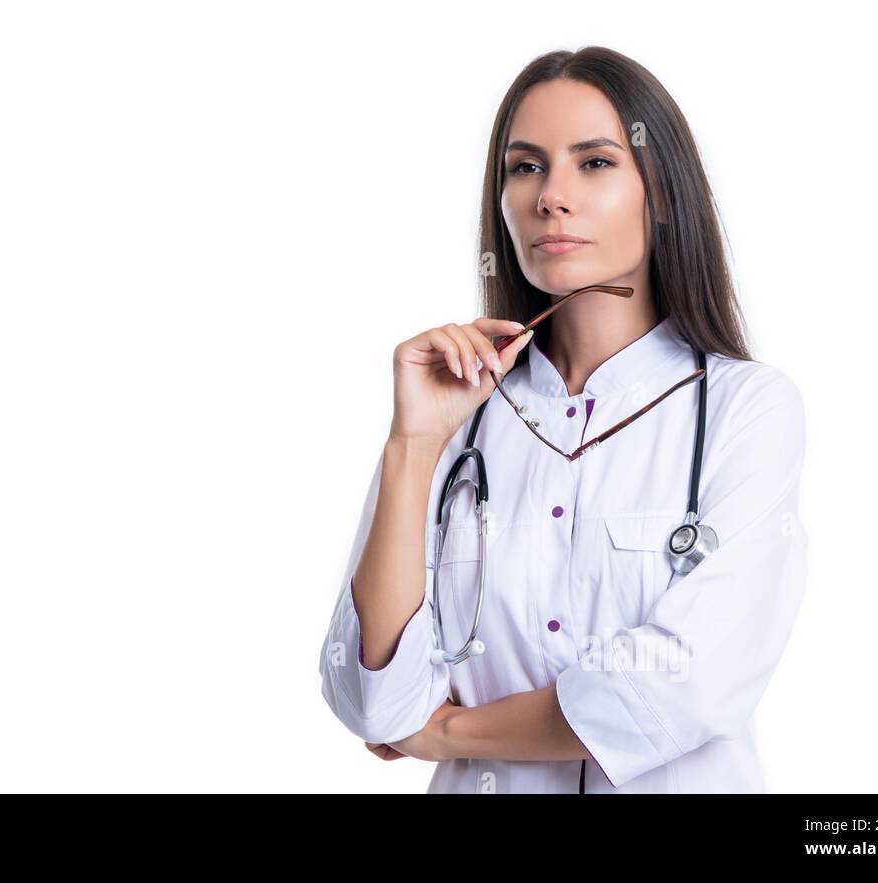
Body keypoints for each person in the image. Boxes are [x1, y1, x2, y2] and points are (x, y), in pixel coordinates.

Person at [317, 46, 808, 794]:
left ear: (663, 194)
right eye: (526, 167)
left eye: (595, 162)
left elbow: (686, 687)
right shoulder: (453, 418)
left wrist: (444, 731)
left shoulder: (746, 409)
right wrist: (413, 445)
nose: (552, 196)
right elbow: (370, 700)